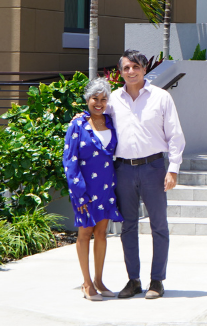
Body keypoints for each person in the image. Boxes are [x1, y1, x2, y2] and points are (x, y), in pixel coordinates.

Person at [108, 49, 186, 300]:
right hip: (123, 169)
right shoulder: (113, 100)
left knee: (158, 225)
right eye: (126, 68)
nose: (131, 72)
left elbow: (175, 135)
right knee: (127, 227)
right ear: (120, 73)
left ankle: (157, 281)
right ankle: (133, 281)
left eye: (135, 67)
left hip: (153, 168)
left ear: (144, 69)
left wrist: (173, 169)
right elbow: (99, 122)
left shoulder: (161, 98)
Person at [63, 77, 123, 301]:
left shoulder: (111, 121)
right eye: (94, 99)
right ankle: (86, 283)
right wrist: (78, 190)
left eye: (103, 99)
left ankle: (99, 280)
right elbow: (70, 159)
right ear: (87, 100)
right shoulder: (77, 124)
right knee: (84, 232)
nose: (99, 103)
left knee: (101, 234)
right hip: (85, 188)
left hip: (106, 188)